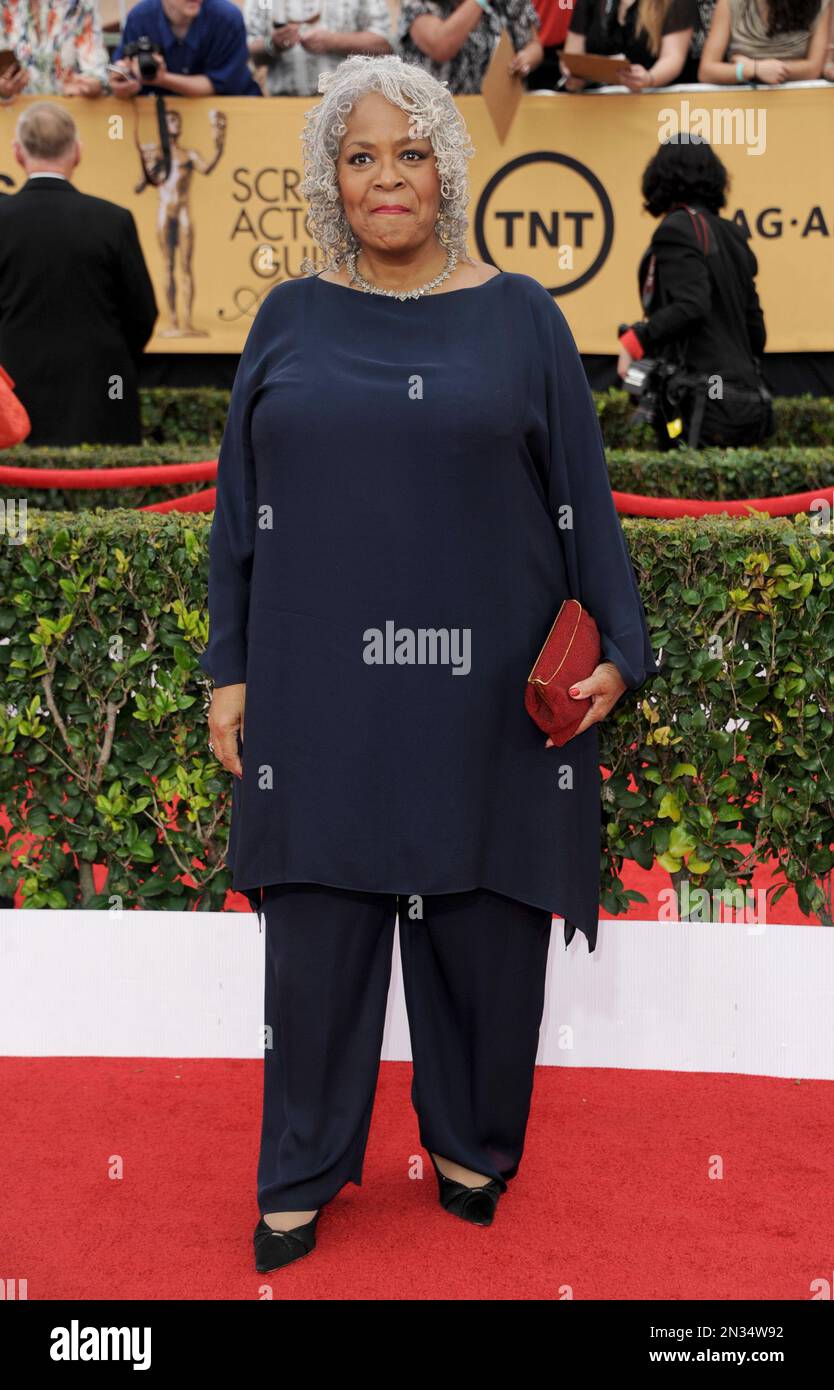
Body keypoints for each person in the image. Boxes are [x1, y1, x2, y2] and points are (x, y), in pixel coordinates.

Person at [199, 53, 659, 1271]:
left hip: (483, 688)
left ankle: (470, 1141)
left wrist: (620, 641)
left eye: (411, 154)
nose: (387, 177)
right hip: (316, 690)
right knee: (317, 938)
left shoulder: (522, 318)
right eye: (361, 157)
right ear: (330, 178)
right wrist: (228, 668)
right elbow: (238, 513)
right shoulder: (287, 318)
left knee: (483, 917)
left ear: (449, 168)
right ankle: (299, 1165)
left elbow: (584, 498)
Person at [0, 103, 157, 445]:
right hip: (99, 398)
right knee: (102, 497)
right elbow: (142, 313)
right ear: (78, 152)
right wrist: (108, 359)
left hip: (11, 402)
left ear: (17, 153)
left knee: (14, 502)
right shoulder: (112, 220)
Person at [617, 138, 773, 448]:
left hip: (703, 407)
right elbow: (756, 332)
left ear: (661, 177)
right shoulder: (733, 234)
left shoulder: (675, 228)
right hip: (749, 405)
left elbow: (692, 305)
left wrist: (635, 340)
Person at [111, 0, 262, 98]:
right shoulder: (139, 18)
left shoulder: (227, 18)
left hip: (228, 115)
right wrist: (123, 81)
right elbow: (120, 69)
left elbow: (219, 85)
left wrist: (161, 78)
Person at [245, 0, 393, 96]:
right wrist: (273, 44)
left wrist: (334, 41)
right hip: (283, 108)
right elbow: (247, 52)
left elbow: (384, 45)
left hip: (349, 107)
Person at [396, 0, 544, 92]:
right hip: (439, 116)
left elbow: (534, 45)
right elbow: (441, 46)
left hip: (500, 113)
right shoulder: (418, 3)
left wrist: (526, 58)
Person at [562, 0, 701, 89]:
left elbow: (673, 57)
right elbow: (572, 53)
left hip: (654, 102)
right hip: (596, 104)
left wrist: (649, 79)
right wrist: (573, 74)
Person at [698, 0, 831, 82]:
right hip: (745, 105)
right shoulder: (731, 3)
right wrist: (752, 69)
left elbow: (814, 68)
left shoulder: (820, 4)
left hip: (801, 101)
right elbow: (707, 71)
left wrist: (757, 67)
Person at [0, 0, 108, 99]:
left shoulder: (81, 5)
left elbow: (95, 73)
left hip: (69, 110)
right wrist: (4, 86)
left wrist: (92, 84)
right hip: (17, 110)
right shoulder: (6, 5)